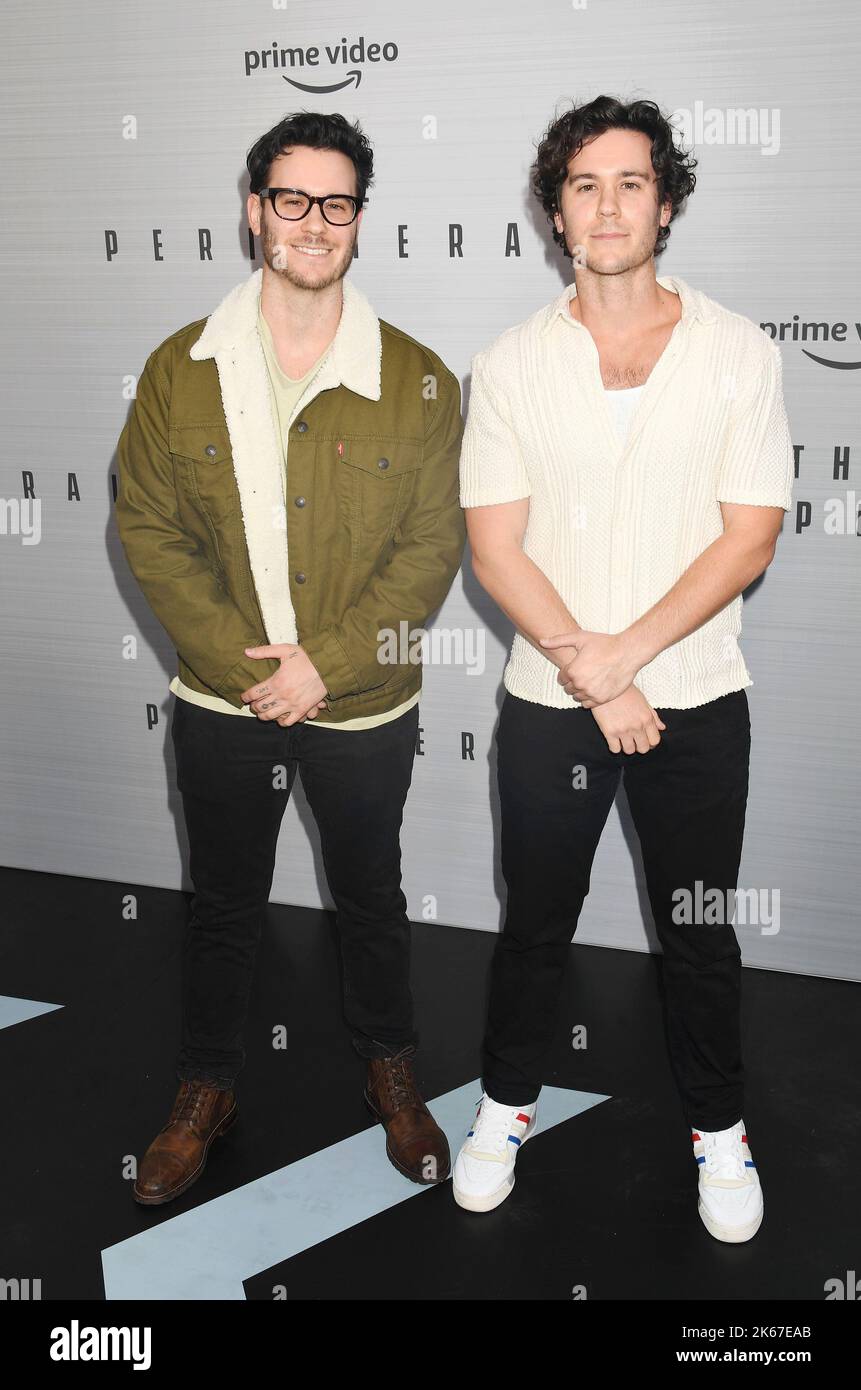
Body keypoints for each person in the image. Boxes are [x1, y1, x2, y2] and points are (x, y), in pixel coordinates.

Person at [454, 95, 793, 1242]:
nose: (608, 205)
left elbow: (748, 534)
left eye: (632, 182)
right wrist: (598, 678)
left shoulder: (738, 350)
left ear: (666, 202)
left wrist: (626, 659)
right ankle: (505, 1107)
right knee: (536, 923)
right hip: (552, 706)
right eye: (586, 185)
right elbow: (496, 545)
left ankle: (719, 1131)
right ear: (557, 210)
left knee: (698, 927)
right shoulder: (506, 364)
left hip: (695, 700)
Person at [115, 111, 465, 1204]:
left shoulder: (416, 379)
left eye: (338, 202)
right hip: (223, 702)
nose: (314, 223)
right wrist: (246, 667)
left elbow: (431, 545)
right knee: (222, 903)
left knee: (372, 900)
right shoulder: (179, 370)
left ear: (360, 220)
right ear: (255, 208)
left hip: (362, 707)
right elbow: (151, 530)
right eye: (292, 198)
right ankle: (205, 1086)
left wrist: (327, 665)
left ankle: (391, 1071)